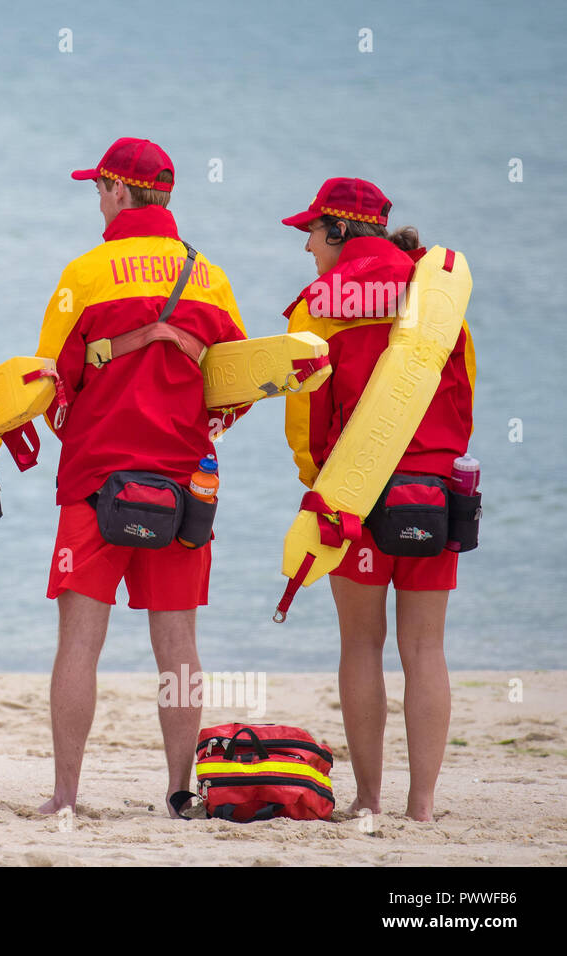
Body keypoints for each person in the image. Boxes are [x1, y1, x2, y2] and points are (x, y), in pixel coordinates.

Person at [34, 138, 248, 818]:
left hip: (96, 481)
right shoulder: (209, 276)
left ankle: (66, 797)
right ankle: (180, 793)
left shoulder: (86, 272)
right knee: (178, 644)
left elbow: (49, 384)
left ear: (120, 191)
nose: (97, 201)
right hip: (183, 488)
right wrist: (189, 428)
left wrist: (87, 426)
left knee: (80, 643)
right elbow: (240, 387)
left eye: (99, 188)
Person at [280, 178, 476, 822]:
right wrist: (437, 463)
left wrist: (324, 484)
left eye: (312, 231)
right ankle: (420, 807)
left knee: (360, 646)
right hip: (434, 492)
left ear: (339, 230)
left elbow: (304, 423)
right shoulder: (438, 295)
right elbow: (461, 395)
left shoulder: (319, 303)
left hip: (356, 494)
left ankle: (368, 799)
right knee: (426, 649)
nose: (307, 247)